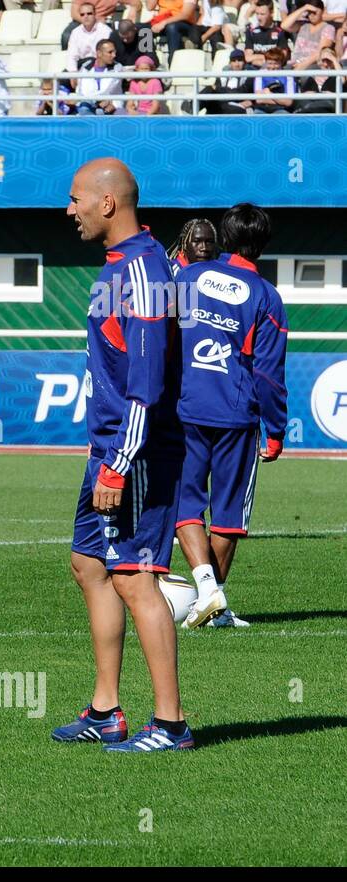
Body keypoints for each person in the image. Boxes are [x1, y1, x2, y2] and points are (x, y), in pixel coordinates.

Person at [52, 157, 193, 753]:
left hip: (133, 452)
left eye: (77, 198)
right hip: (108, 446)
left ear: (108, 203)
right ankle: (106, 711)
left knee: (136, 579)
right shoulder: (122, 265)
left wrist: (118, 461)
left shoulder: (142, 272)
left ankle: (170, 725)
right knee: (89, 566)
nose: (70, 210)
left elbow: (148, 381)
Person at [174, 203, 288, 629]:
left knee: (186, 502)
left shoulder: (186, 277)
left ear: (223, 237)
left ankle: (209, 599)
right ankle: (211, 597)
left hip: (185, 409)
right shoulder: (267, 298)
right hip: (237, 416)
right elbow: (269, 375)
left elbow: (160, 338)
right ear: (263, 244)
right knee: (228, 514)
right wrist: (276, 431)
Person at [75, 39, 125, 113]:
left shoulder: (117, 68)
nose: (114, 55)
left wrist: (103, 101)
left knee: (100, 111)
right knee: (84, 108)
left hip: (111, 105)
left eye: (114, 52)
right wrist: (96, 102)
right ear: (99, 53)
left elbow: (107, 90)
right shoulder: (86, 66)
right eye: (110, 52)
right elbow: (83, 92)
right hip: (89, 103)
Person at [284, 0, 337, 69]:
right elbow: (284, 26)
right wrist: (304, 8)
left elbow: (321, 52)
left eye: (315, 13)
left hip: (313, 65)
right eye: (309, 12)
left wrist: (302, 65)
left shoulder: (328, 28)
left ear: (322, 11)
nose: (311, 15)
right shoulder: (302, 26)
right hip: (295, 63)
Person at [198, 48, 255, 113]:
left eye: (239, 60)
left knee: (213, 91)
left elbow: (240, 92)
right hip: (222, 104)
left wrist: (218, 89)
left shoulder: (250, 76)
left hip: (238, 106)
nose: (237, 64)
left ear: (244, 62)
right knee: (209, 89)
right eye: (234, 61)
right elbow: (215, 91)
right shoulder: (223, 76)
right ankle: (191, 107)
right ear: (230, 63)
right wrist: (217, 89)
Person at [68, 4, 114, 74]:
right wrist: (73, 73)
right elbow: (72, 56)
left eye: (89, 13)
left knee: (91, 60)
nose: (86, 17)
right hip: (80, 68)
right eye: (82, 14)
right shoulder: (75, 32)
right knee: (56, 80)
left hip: (101, 68)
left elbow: (108, 54)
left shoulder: (106, 31)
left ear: (95, 14)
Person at [252, 45, 296, 110]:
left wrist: (269, 94)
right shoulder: (260, 74)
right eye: (270, 63)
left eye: (275, 63)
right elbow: (259, 100)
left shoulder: (288, 76)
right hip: (262, 108)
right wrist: (281, 100)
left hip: (281, 109)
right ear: (265, 62)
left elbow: (289, 102)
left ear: (281, 63)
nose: (272, 67)